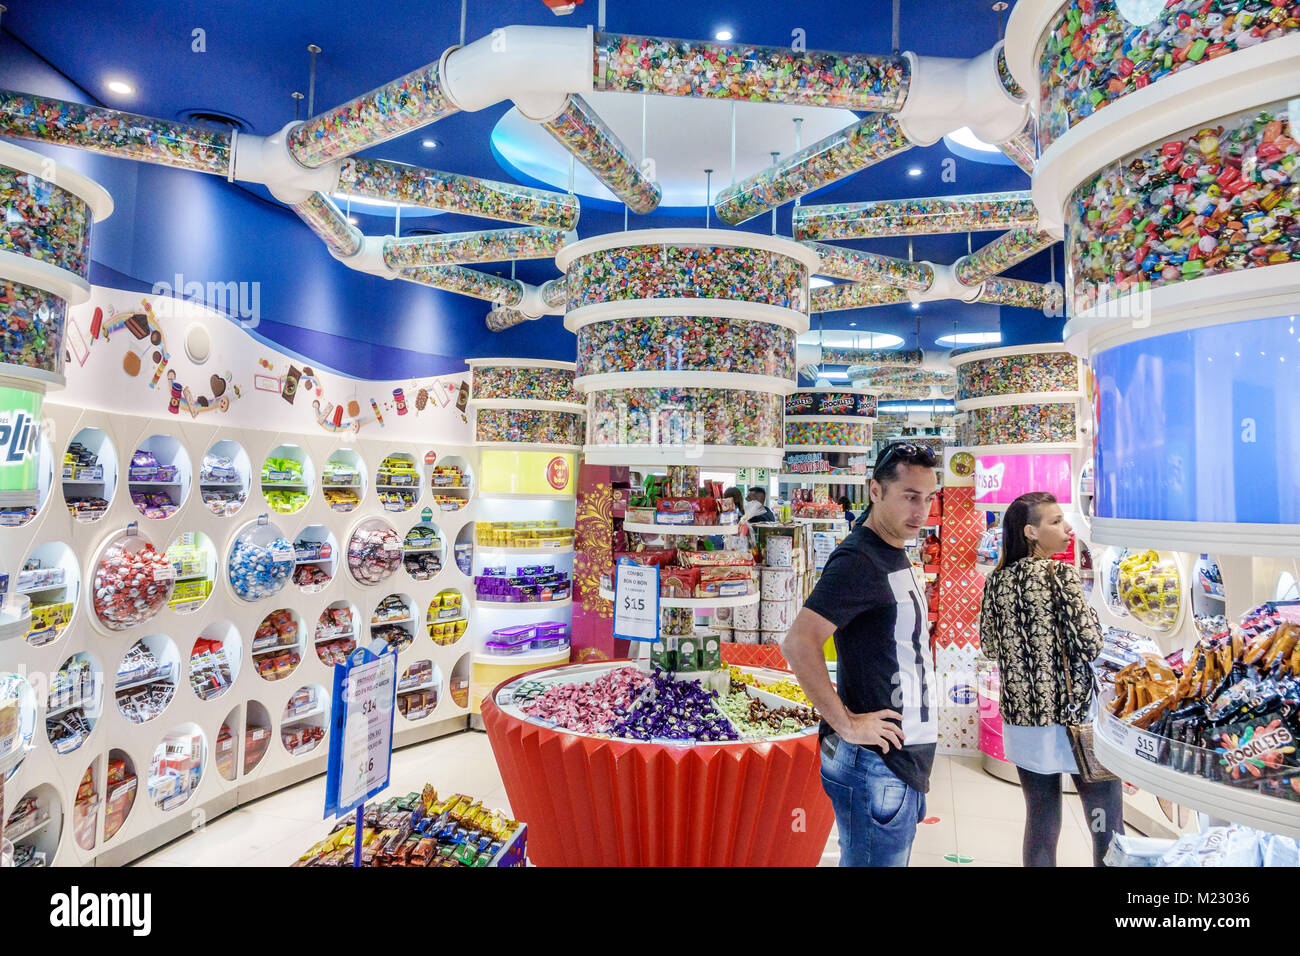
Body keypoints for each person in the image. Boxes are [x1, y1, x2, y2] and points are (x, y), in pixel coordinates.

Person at [781, 442, 941, 866]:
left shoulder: (893, 549)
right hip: (876, 765)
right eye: (910, 496)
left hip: (899, 762)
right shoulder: (859, 560)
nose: (921, 511)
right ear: (875, 491)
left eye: (928, 498)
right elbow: (799, 643)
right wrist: (847, 723)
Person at [978, 491, 1123, 867]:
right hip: (1075, 719)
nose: (1067, 527)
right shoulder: (1062, 576)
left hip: (1023, 721)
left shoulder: (997, 582)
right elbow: (1091, 644)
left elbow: (990, 647)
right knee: (1105, 823)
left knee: (1041, 819)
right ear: (1031, 532)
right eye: (1055, 521)